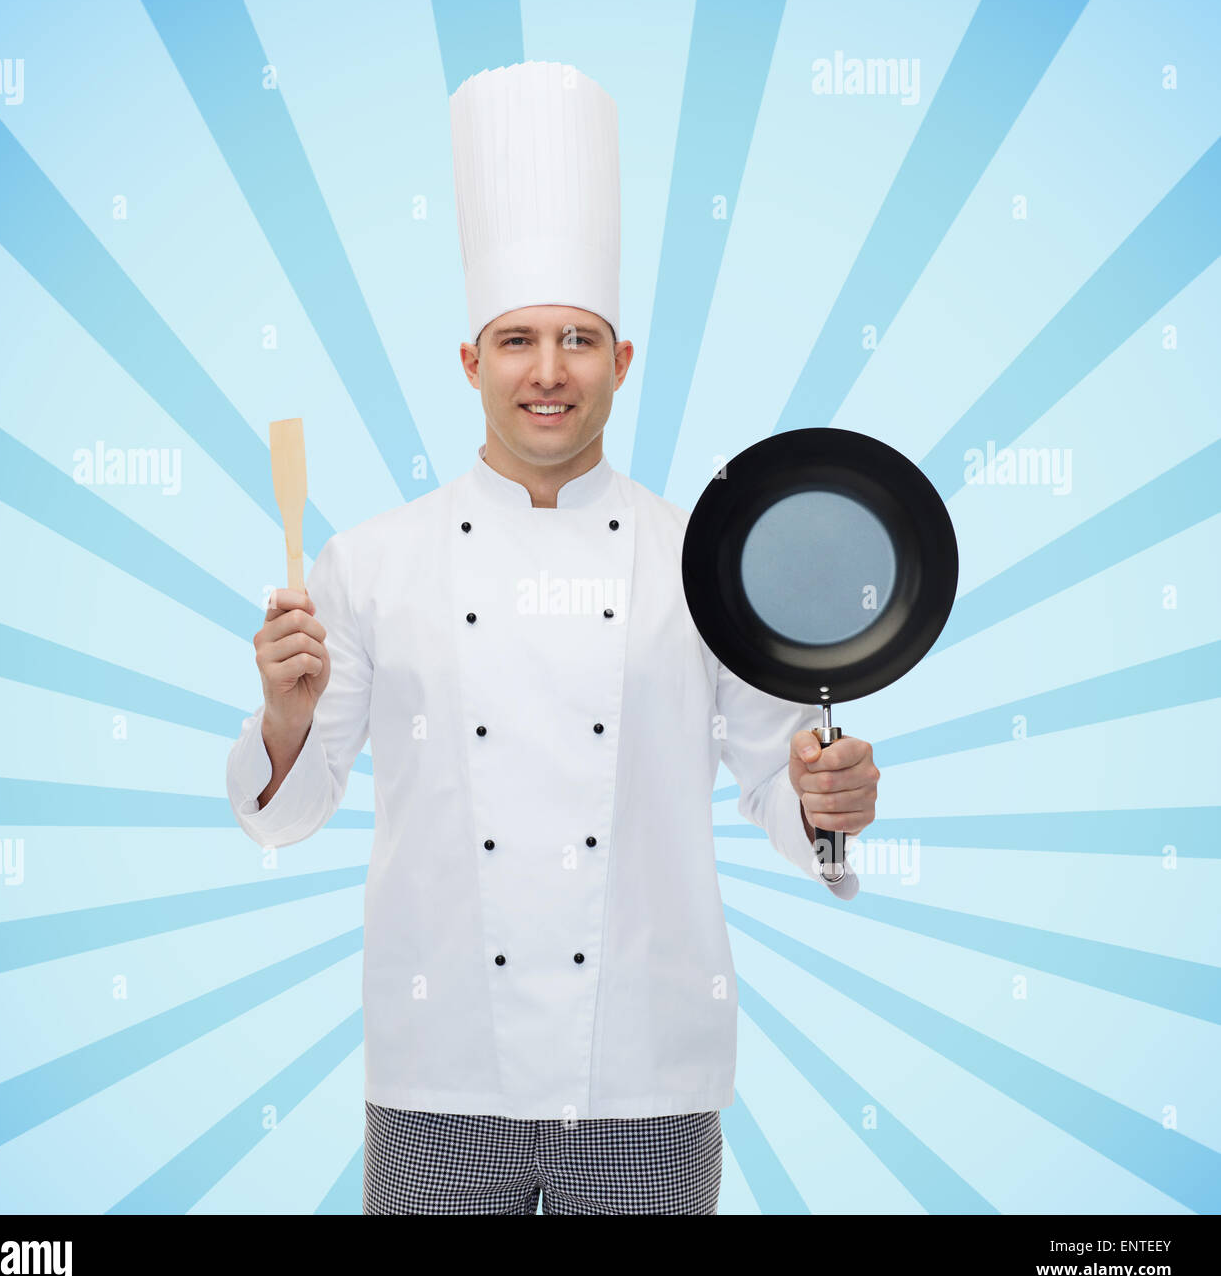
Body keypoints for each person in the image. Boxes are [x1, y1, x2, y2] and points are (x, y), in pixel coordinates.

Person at [226, 61, 879, 1216]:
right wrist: (282, 722)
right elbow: (295, 806)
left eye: (578, 339)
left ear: (620, 364)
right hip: (436, 1070)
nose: (547, 370)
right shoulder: (368, 562)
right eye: (516, 338)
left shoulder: (703, 558)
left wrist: (828, 803)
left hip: (648, 1068)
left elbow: (776, 784)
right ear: (470, 362)